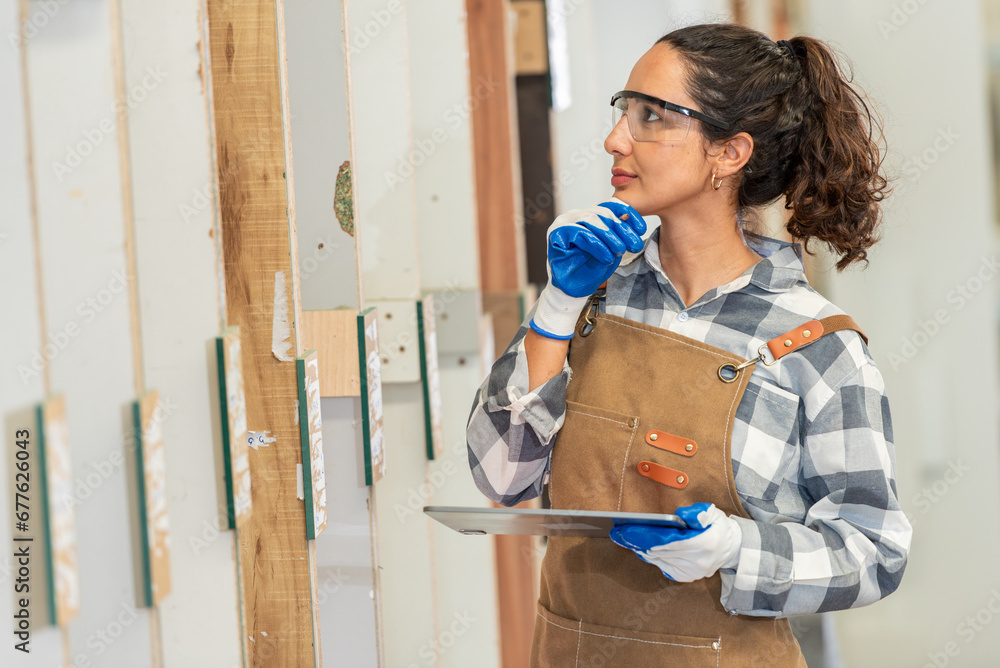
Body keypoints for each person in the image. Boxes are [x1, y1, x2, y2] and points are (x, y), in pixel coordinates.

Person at [466, 22, 911, 667]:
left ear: (728, 153)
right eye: (624, 110)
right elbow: (501, 476)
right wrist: (556, 305)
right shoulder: (591, 298)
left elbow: (875, 551)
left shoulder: (814, 345)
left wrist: (738, 549)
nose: (616, 138)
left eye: (653, 116)